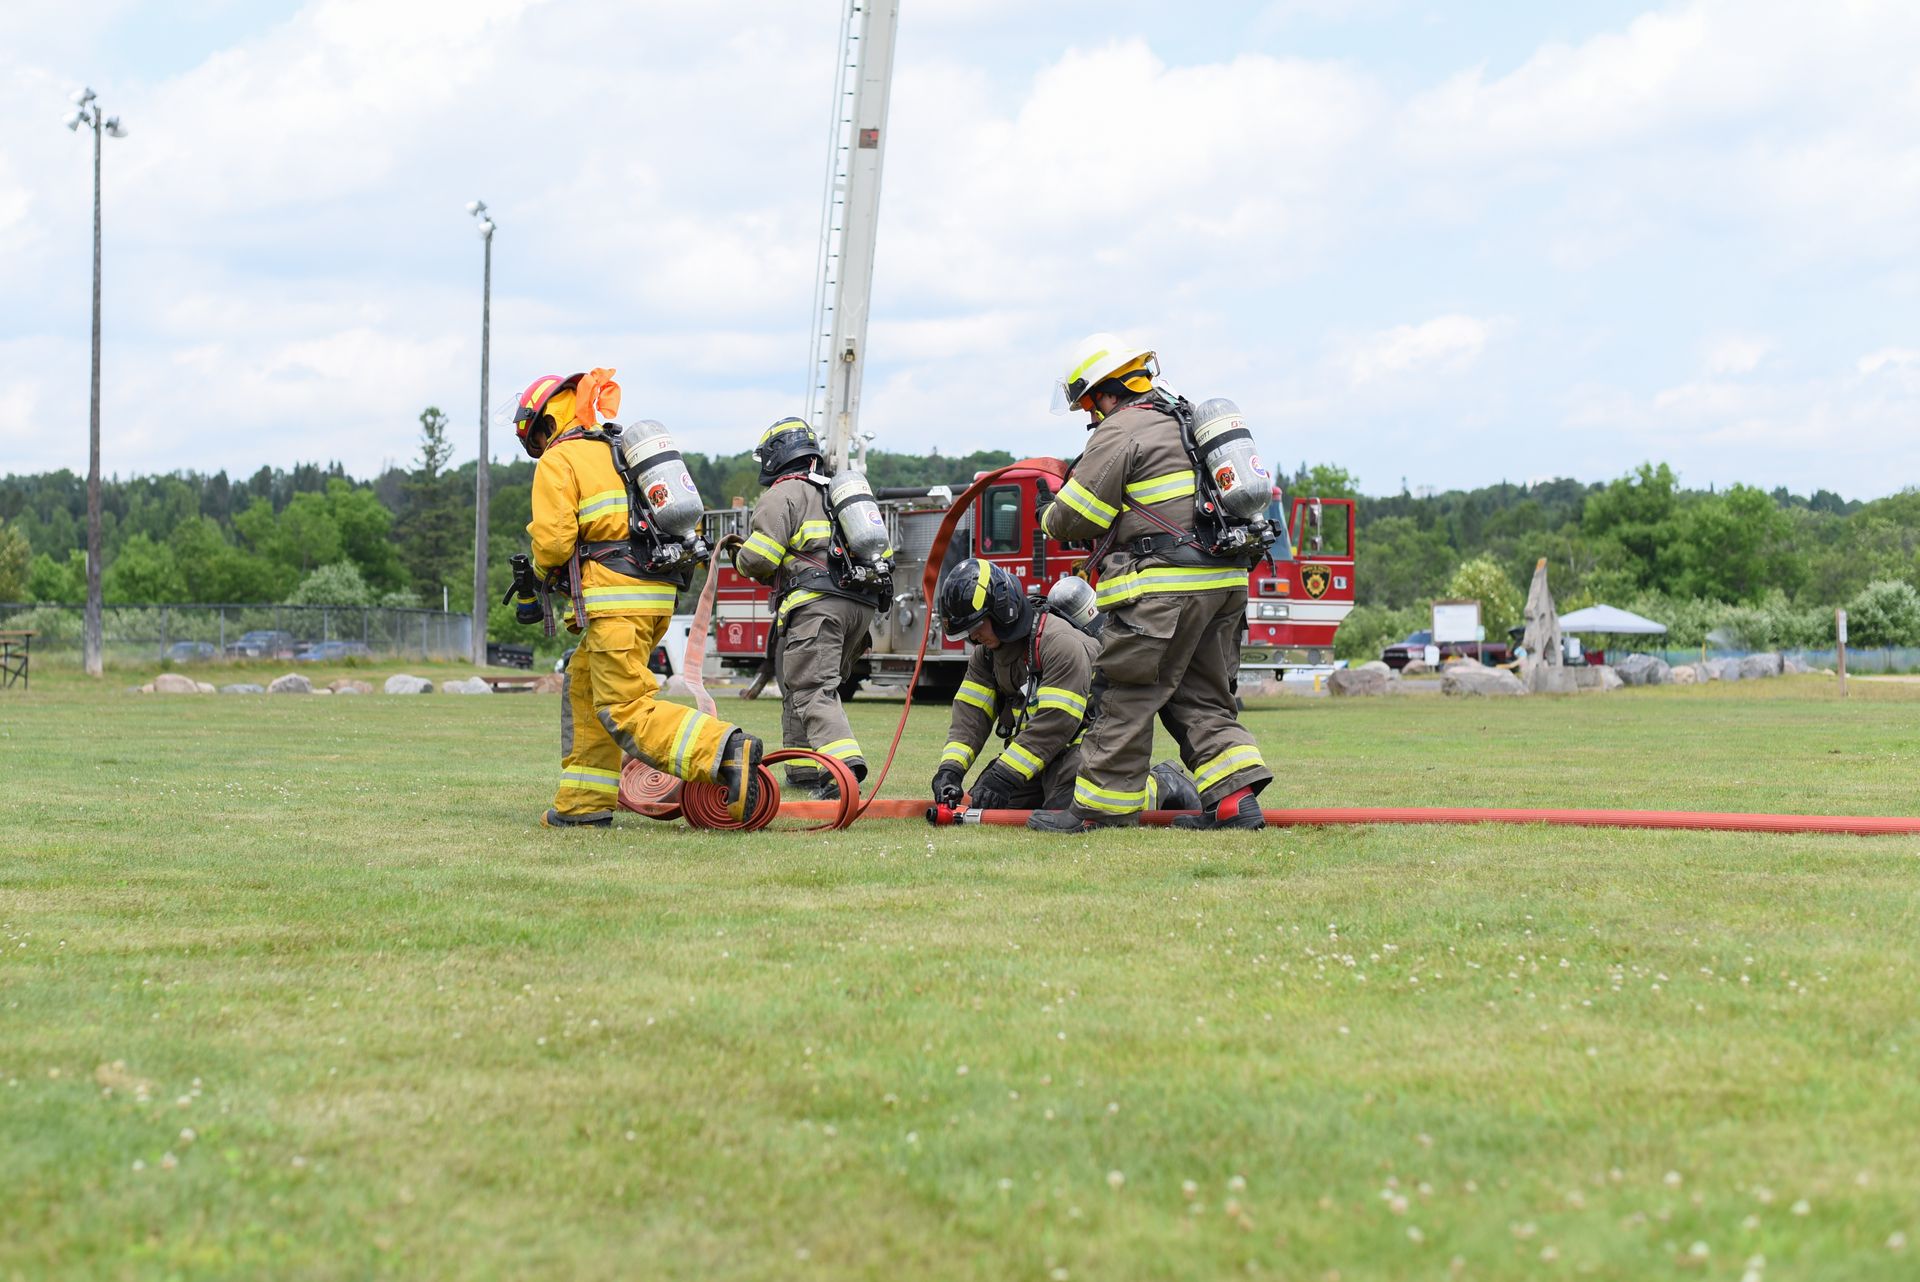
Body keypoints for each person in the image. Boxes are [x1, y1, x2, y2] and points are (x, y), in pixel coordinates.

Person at [1026, 334, 1273, 833]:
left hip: (1165, 592)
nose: (1089, 417)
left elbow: (1076, 517)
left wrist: (1047, 509)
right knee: (1203, 697)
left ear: (1104, 392)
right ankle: (1235, 803)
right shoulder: (1182, 421)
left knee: (1125, 691)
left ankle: (1099, 811)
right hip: (1224, 584)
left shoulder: (1121, 430)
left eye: (1088, 405)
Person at [518, 368, 763, 826]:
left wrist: (539, 576)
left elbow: (552, 542)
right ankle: (583, 805)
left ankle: (725, 750)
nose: (538, 450)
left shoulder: (561, 459)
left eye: (535, 439)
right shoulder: (617, 452)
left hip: (614, 599)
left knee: (623, 706)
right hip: (653, 598)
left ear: (546, 421)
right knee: (585, 685)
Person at [932, 559, 1199, 813]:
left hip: (1087, 746)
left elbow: (1057, 722)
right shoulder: (987, 654)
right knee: (984, 804)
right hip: (1042, 755)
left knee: (1067, 809)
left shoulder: (1060, 643)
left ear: (1002, 609)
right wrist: (950, 770)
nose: (972, 637)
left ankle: (1163, 783)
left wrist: (1005, 775)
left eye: (976, 625)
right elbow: (971, 715)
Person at [730, 417, 879, 799]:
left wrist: (738, 555)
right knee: (802, 684)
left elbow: (761, 558)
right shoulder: (837, 494)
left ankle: (843, 770)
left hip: (818, 606)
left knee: (813, 688)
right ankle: (802, 768)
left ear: (776, 457)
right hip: (859, 609)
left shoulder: (785, 493)